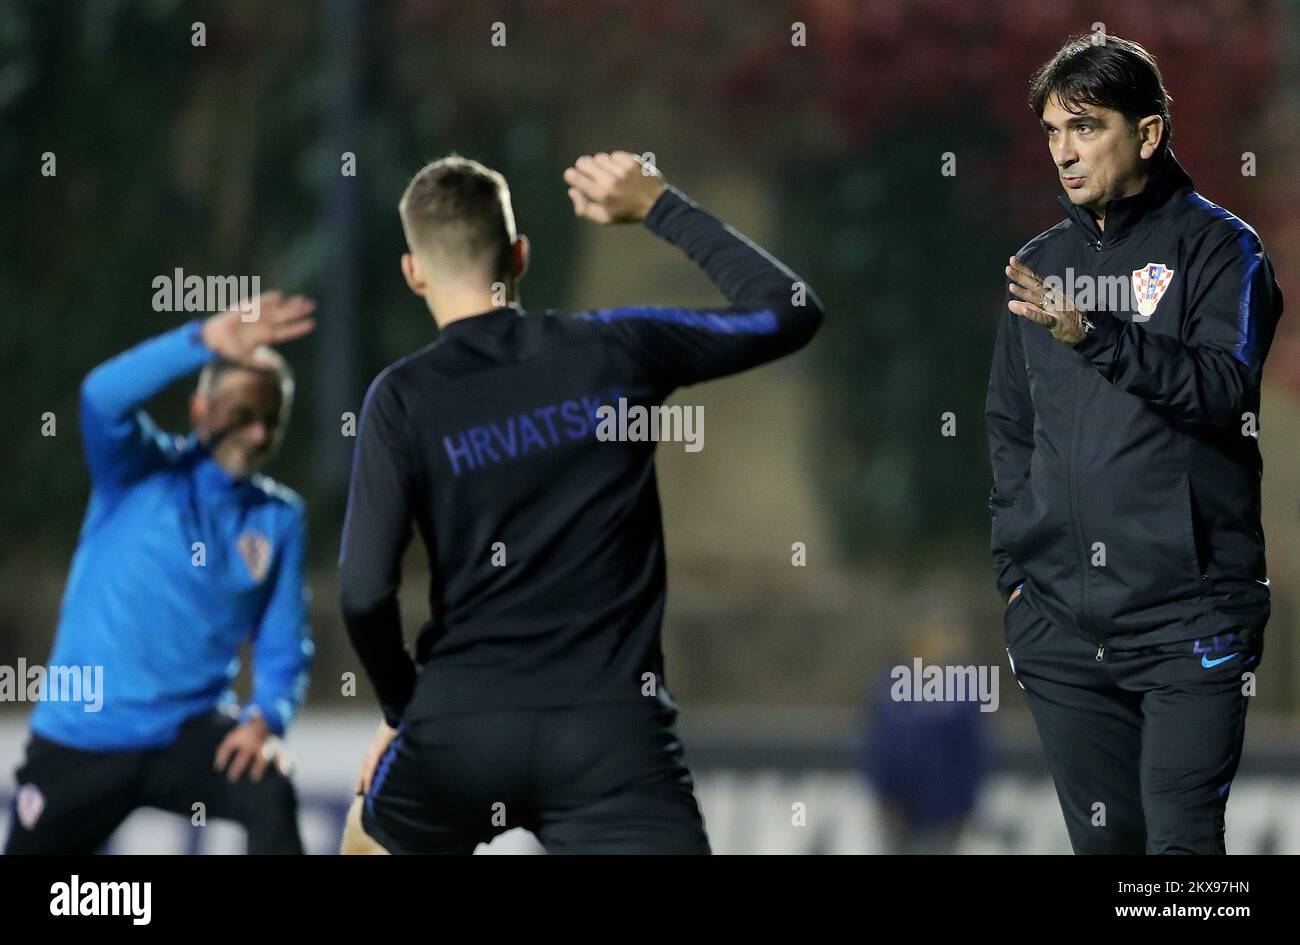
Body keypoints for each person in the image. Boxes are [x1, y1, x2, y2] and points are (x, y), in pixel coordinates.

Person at [339, 151, 823, 854]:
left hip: (458, 729)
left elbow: (362, 592)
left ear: (415, 272)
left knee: (365, 838)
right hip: (610, 742)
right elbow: (792, 310)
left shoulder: (400, 398)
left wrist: (403, 710)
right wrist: (660, 204)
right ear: (521, 256)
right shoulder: (617, 348)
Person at [986, 35, 1283, 854]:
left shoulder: (1224, 251)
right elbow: (1010, 429)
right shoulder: (1038, 265)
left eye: (1085, 127)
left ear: (1148, 134)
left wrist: (1097, 336)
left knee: (1182, 856)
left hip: (1189, 618)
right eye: (1051, 131)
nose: (1064, 152)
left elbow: (1225, 389)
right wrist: (1018, 579)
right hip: (1060, 627)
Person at [5, 294, 317, 855]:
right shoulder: (138, 473)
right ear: (201, 412)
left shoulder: (278, 518)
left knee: (268, 787)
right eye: (243, 415)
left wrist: (267, 717)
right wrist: (200, 341)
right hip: (85, 736)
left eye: (272, 420)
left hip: (188, 734)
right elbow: (101, 398)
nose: (258, 434)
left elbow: (283, 643)